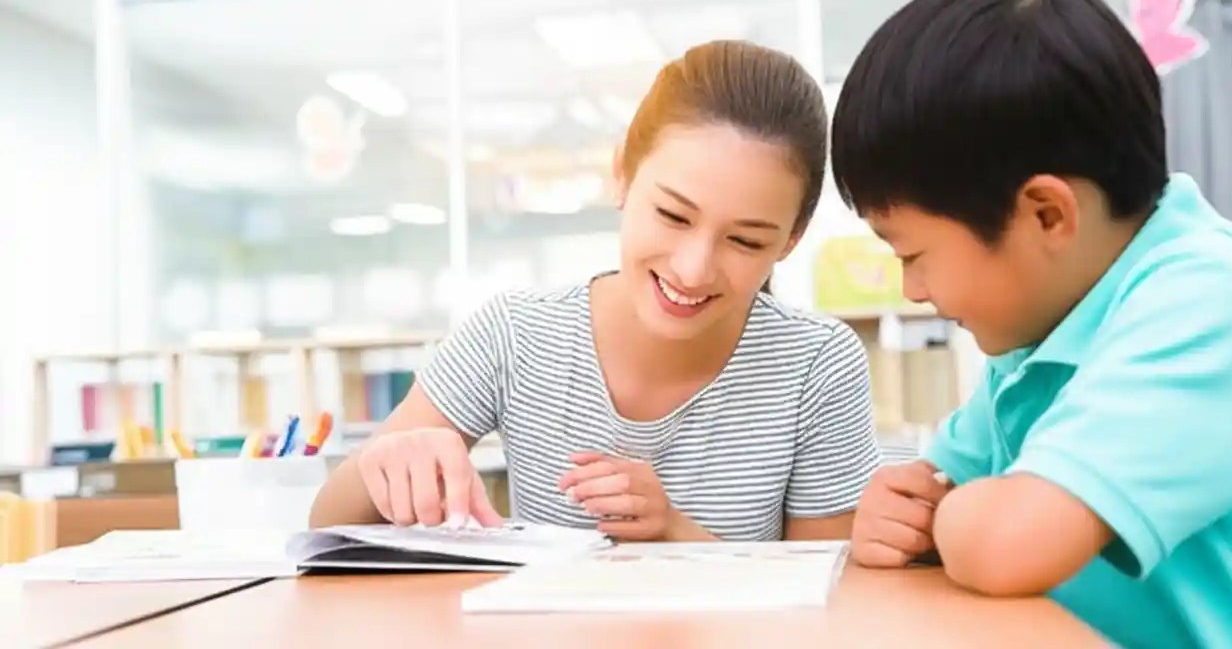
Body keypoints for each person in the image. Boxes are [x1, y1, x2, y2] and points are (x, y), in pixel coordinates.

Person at [834, 0, 1232, 648]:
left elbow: (1008, 542)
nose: (913, 290)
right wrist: (902, 511)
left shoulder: (1207, 303)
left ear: (1046, 214)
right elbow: (937, 486)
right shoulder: (1045, 327)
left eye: (913, 254)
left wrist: (950, 516)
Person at [310, 39, 882, 542]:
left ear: (790, 240)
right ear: (623, 176)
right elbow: (325, 525)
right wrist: (381, 467)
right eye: (673, 216)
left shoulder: (817, 364)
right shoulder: (515, 334)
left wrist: (676, 533)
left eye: (745, 241)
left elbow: (827, 589)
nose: (693, 269)